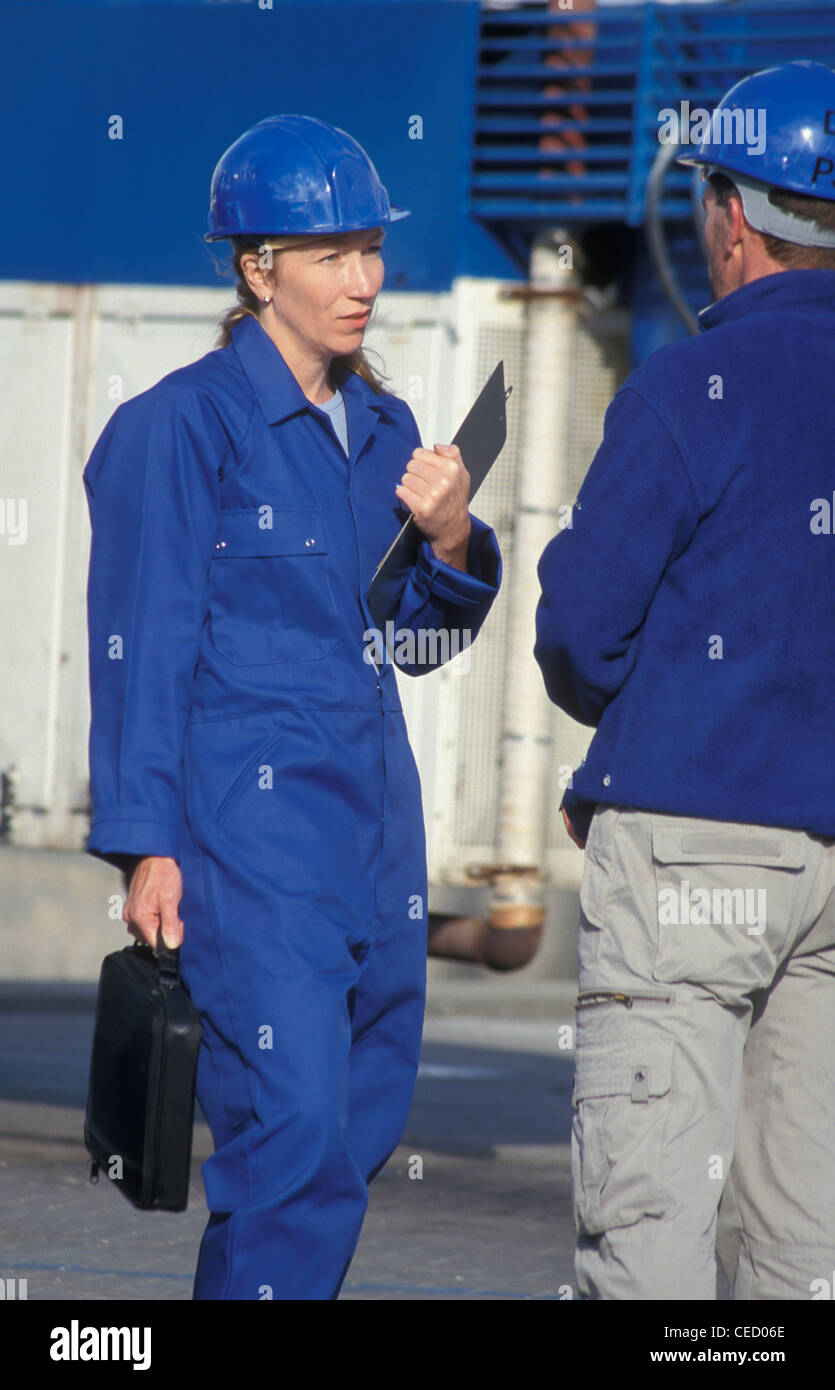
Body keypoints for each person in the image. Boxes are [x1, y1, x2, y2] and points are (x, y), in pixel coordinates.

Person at [82, 114, 502, 1300]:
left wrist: (453, 535)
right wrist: (147, 840)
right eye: (329, 254)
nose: (363, 280)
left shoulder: (389, 432)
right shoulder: (182, 425)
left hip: (374, 832)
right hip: (250, 840)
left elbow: (422, 639)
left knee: (354, 1126)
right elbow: (139, 643)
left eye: (370, 249)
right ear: (257, 267)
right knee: (292, 1139)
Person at [533, 61, 835, 1300]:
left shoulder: (684, 389)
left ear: (729, 218)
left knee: (651, 1231)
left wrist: (644, 718)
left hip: (691, 857)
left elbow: (583, 633)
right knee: (806, 1244)